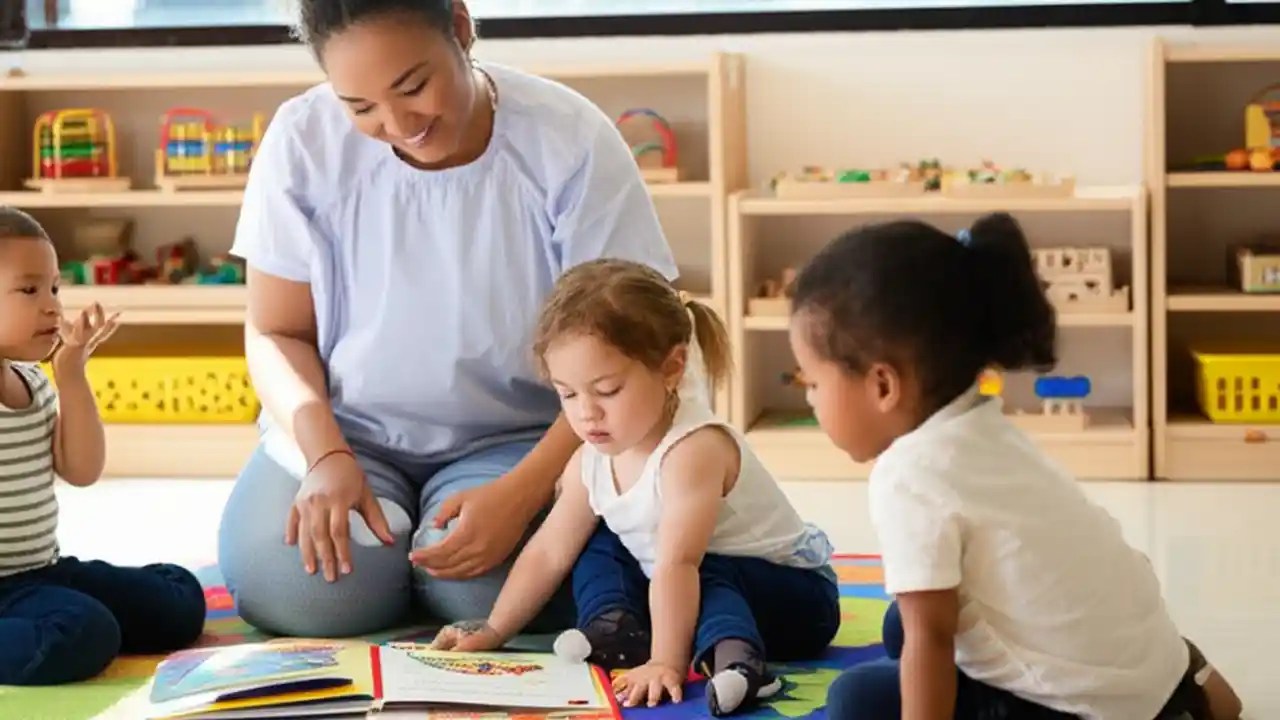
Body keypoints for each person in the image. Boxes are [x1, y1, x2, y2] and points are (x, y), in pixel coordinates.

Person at [217, 0, 678, 638]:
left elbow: (632, 340)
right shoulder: (301, 140)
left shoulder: (567, 138)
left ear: (460, 29)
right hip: (345, 433)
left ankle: (420, 578)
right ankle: (398, 571)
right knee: (299, 593)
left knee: (494, 594)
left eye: (414, 87)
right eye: (360, 107)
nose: (399, 123)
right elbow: (276, 331)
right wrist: (323, 454)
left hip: (523, 438)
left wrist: (524, 492)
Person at [785, 213, 1244, 720]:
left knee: (856, 697)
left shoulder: (908, 477)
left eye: (812, 382)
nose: (810, 400)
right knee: (904, 619)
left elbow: (931, 642)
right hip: (1153, 670)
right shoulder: (982, 425)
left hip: (1083, 706)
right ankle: (1192, 699)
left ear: (883, 386)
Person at [429, 259, 841, 717]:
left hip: (794, 600)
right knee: (596, 539)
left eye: (606, 390)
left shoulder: (692, 450)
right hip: (685, 587)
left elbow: (678, 564)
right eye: (568, 395)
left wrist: (666, 662)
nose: (587, 414)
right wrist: (493, 628)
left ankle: (738, 659)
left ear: (672, 368)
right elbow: (550, 549)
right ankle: (614, 626)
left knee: (702, 564)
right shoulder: (591, 456)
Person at [0, 208, 207, 685]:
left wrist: (71, 372)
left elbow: (82, 470)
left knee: (178, 603)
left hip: (42, 571)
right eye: (30, 290)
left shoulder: (35, 383)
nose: (52, 306)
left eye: (55, 288)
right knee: (83, 633)